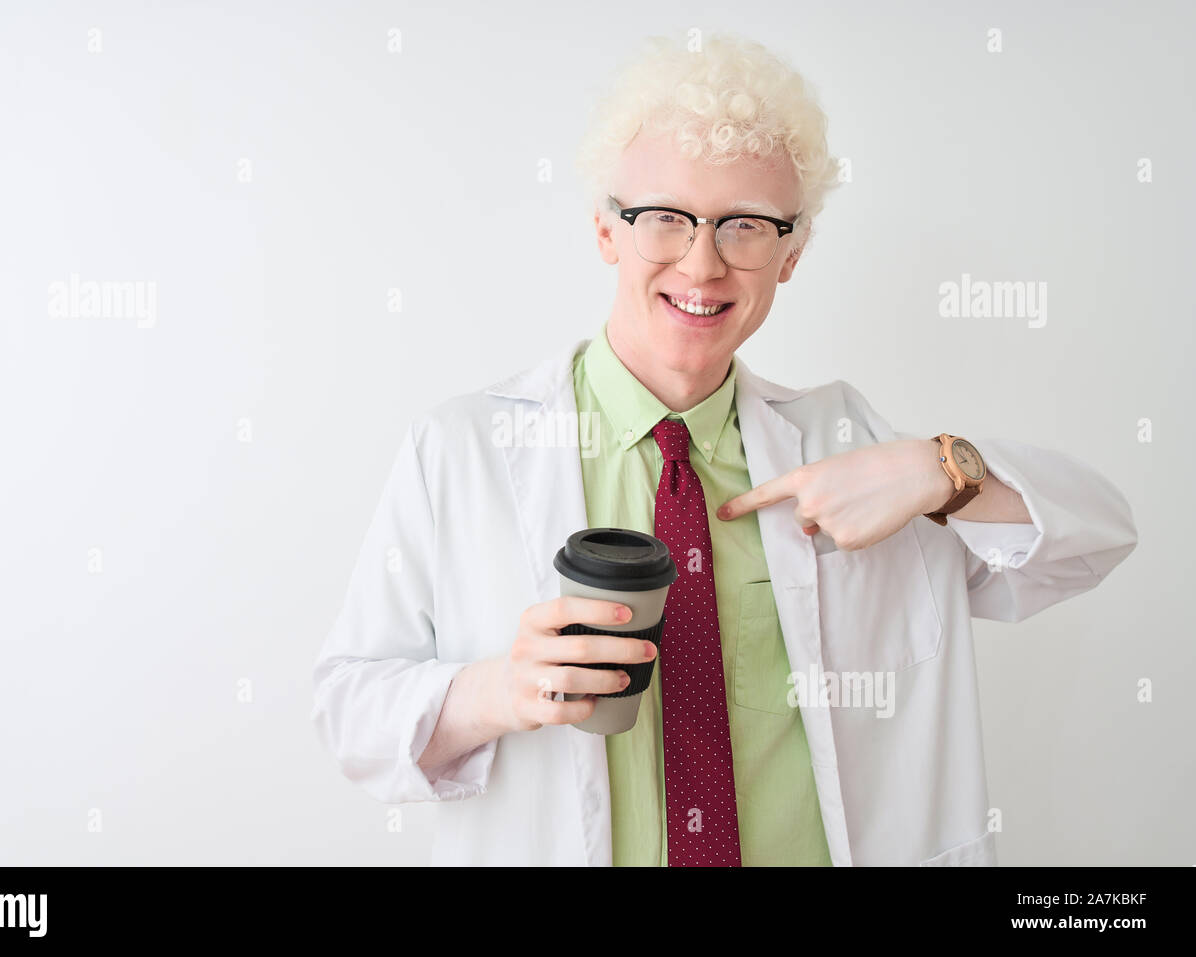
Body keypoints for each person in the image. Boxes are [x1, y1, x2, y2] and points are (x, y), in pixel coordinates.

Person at [309, 33, 1137, 866]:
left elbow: (1094, 538)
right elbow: (349, 713)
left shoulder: (851, 447)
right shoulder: (463, 449)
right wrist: (498, 690)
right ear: (605, 229)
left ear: (793, 253)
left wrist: (937, 468)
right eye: (665, 218)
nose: (702, 265)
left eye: (745, 225)